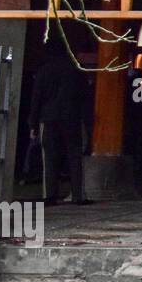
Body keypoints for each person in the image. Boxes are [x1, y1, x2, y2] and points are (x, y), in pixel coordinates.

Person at [27, 39, 91, 205]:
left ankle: (49, 195)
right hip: (72, 119)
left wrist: (33, 123)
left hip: (48, 119)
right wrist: (87, 121)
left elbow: (36, 99)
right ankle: (78, 195)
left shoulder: (43, 71)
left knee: (49, 158)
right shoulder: (75, 71)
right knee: (75, 157)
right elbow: (85, 97)